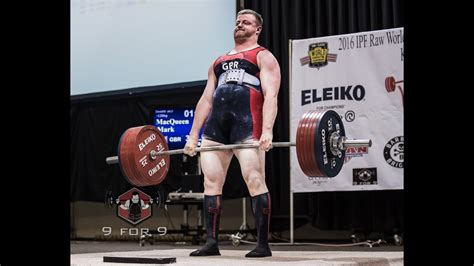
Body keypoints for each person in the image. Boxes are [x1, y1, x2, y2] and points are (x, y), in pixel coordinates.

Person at [184, 9, 281, 258]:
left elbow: (271, 95)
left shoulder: (263, 56)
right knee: (211, 182)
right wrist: (193, 135)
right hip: (216, 129)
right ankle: (211, 242)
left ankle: (262, 245)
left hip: (247, 126)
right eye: (237, 22)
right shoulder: (217, 62)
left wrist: (268, 130)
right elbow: (206, 100)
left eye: (246, 22)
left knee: (254, 178)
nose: (239, 25)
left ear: (257, 29)